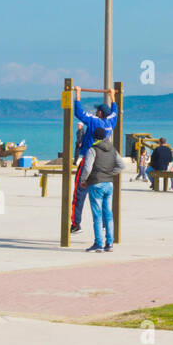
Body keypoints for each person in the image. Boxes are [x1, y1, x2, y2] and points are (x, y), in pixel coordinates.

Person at [70, 91, 118, 232]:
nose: (96, 112)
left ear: (100, 113)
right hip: (103, 162)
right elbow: (115, 111)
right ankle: (104, 223)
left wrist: (77, 94)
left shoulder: (94, 121)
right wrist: (112, 95)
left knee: (79, 192)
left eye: (97, 110)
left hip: (89, 159)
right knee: (102, 194)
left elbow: (79, 113)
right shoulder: (111, 122)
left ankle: (76, 224)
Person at [77, 136, 122, 251]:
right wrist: (111, 173)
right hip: (109, 184)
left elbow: (87, 168)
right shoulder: (113, 149)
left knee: (97, 215)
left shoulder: (93, 149)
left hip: (96, 183)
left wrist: (83, 180)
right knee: (108, 214)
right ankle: (110, 243)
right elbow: (121, 165)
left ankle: (98, 243)